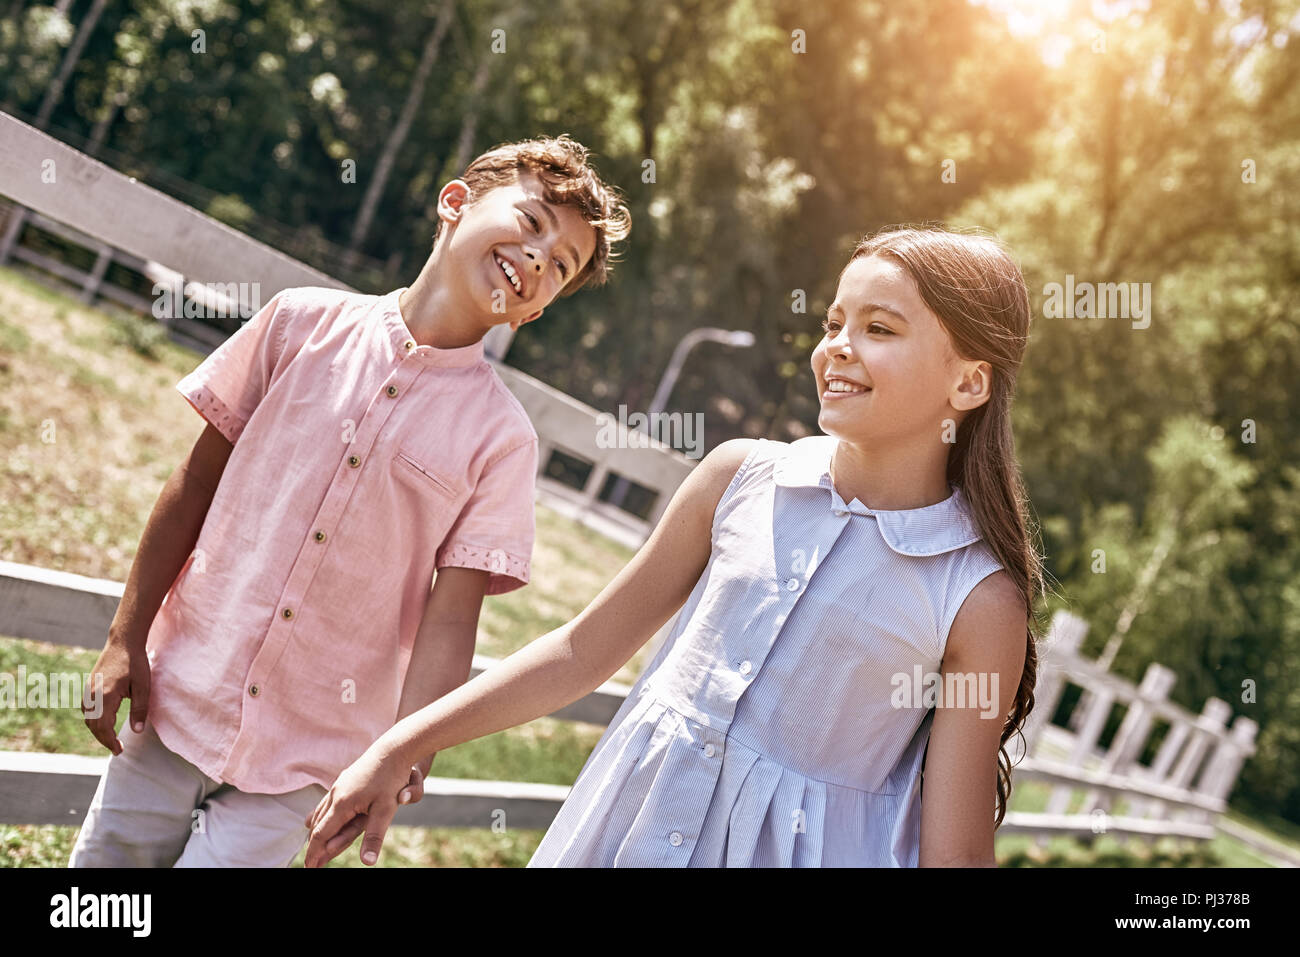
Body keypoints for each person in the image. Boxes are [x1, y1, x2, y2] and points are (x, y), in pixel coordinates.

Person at [303, 225, 1045, 868]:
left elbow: (954, 854)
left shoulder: (977, 597)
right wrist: (398, 744)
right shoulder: (737, 477)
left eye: (879, 330)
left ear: (970, 382)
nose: (837, 349)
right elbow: (580, 651)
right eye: (833, 322)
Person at [69, 134, 631, 867]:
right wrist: (125, 633)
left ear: (537, 310)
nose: (536, 258)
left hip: (309, 762)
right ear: (454, 204)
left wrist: (403, 756)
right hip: (176, 695)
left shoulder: (503, 442)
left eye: (560, 264)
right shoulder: (296, 323)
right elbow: (195, 481)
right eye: (530, 224)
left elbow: (451, 615)